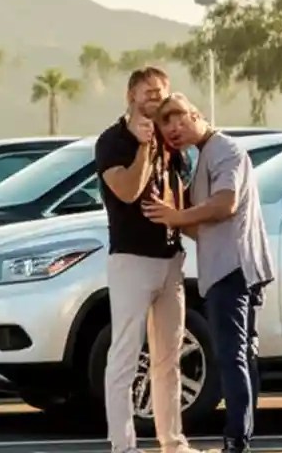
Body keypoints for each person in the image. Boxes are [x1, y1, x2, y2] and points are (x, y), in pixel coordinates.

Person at [144, 93, 273, 453]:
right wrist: (177, 212)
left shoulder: (223, 150)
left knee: (232, 355)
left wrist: (175, 217)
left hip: (232, 269)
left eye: (178, 118)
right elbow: (205, 225)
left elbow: (225, 203)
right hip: (233, 265)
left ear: (197, 114)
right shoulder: (205, 155)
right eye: (165, 123)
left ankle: (236, 441)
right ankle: (240, 438)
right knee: (242, 355)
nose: (173, 128)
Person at [95, 67, 199, 453]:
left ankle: (173, 442)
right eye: (148, 92)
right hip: (131, 260)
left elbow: (182, 196)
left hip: (170, 260)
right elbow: (126, 192)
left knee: (168, 358)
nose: (155, 98)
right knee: (124, 355)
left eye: (161, 92)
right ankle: (123, 446)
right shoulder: (113, 141)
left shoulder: (170, 142)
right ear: (131, 95)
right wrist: (142, 147)